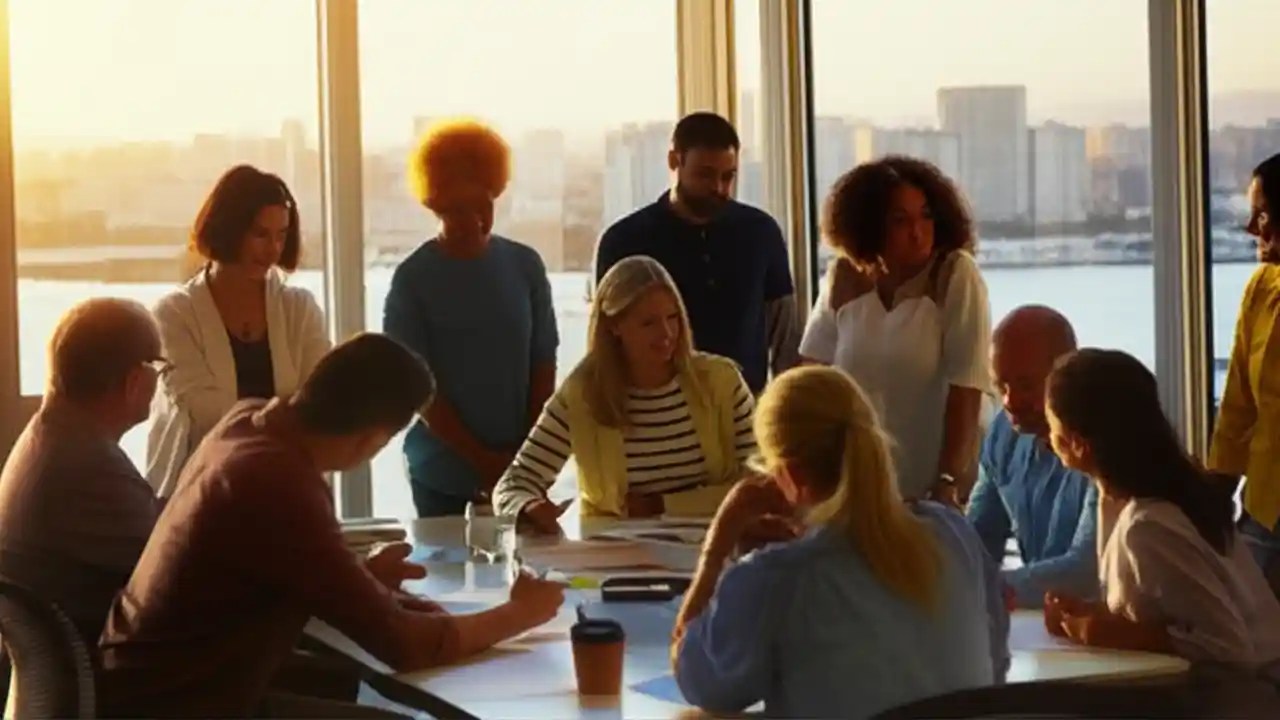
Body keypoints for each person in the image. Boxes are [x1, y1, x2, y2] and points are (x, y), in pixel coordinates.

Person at [97, 333, 565, 718]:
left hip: (149, 681)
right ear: (373, 437)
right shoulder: (278, 481)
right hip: (180, 704)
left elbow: (278, 569)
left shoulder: (245, 425)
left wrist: (357, 580)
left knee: (347, 683)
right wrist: (519, 615)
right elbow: (405, 647)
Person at [671, 366, 1008, 718]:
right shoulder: (953, 533)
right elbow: (994, 666)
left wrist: (718, 546)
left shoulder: (781, 577)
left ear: (790, 474)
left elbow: (697, 681)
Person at [1043, 349, 1280, 678]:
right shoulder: (1156, 499)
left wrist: (1109, 634)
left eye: (1052, 426)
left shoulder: (1150, 527)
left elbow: (1229, 647)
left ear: (1078, 443)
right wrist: (1096, 618)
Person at [493, 256, 755, 533]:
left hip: (713, 548)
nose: (666, 333)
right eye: (648, 323)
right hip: (616, 559)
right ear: (614, 327)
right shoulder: (582, 394)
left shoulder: (721, 381)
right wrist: (529, 507)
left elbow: (761, 479)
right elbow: (514, 483)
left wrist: (664, 504)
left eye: (672, 317)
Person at [385, 118, 557, 518]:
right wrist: (484, 460)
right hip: (441, 475)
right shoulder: (412, 279)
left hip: (521, 472)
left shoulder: (525, 266)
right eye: (457, 209)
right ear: (435, 205)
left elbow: (543, 363)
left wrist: (527, 457)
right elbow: (418, 389)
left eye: (483, 205)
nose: (474, 221)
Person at [800, 156, 993, 502]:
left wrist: (947, 480)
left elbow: (967, 388)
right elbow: (810, 379)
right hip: (856, 482)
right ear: (869, 227)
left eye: (926, 216)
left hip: (934, 483)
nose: (917, 232)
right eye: (900, 220)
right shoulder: (844, 276)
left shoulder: (955, 275)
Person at [147, 165, 330, 497]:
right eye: (260, 234)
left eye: (281, 235)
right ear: (229, 230)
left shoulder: (299, 308)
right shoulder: (174, 314)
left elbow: (320, 400)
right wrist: (285, 417)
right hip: (197, 488)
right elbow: (204, 412)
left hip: (285, 485)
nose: (273, 248)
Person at [594, 112, 799, 395]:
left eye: (728, 177)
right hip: (654, 416)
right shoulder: (625, 240)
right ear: (674, 161)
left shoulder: (761, 233)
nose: (718, 188)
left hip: (746, 414)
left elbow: (785, 336)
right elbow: (605, 343)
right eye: (705, 174)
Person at [0, 298, 161, 642]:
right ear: (135, 380)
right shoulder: (90, 467)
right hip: (100, 679)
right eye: (161, 368)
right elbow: (179, 564)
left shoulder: (55, 433)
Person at [967, 306, 1098, 608]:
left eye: (1026, 385)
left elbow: (1084, 574)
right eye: (1001, 386)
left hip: (1110, 632)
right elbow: (976, 541)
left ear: (1067, 373)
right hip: (1046, 629)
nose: (1011, 402)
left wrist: (973, 589)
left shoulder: (1102, 440)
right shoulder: (1003, 432)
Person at [1210, 152, 1280, 597]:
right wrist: (1214, 500)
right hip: (1263, 508)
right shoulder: (1261, 289)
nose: (1252, 228)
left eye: (1263, 214)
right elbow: (1237, 406)